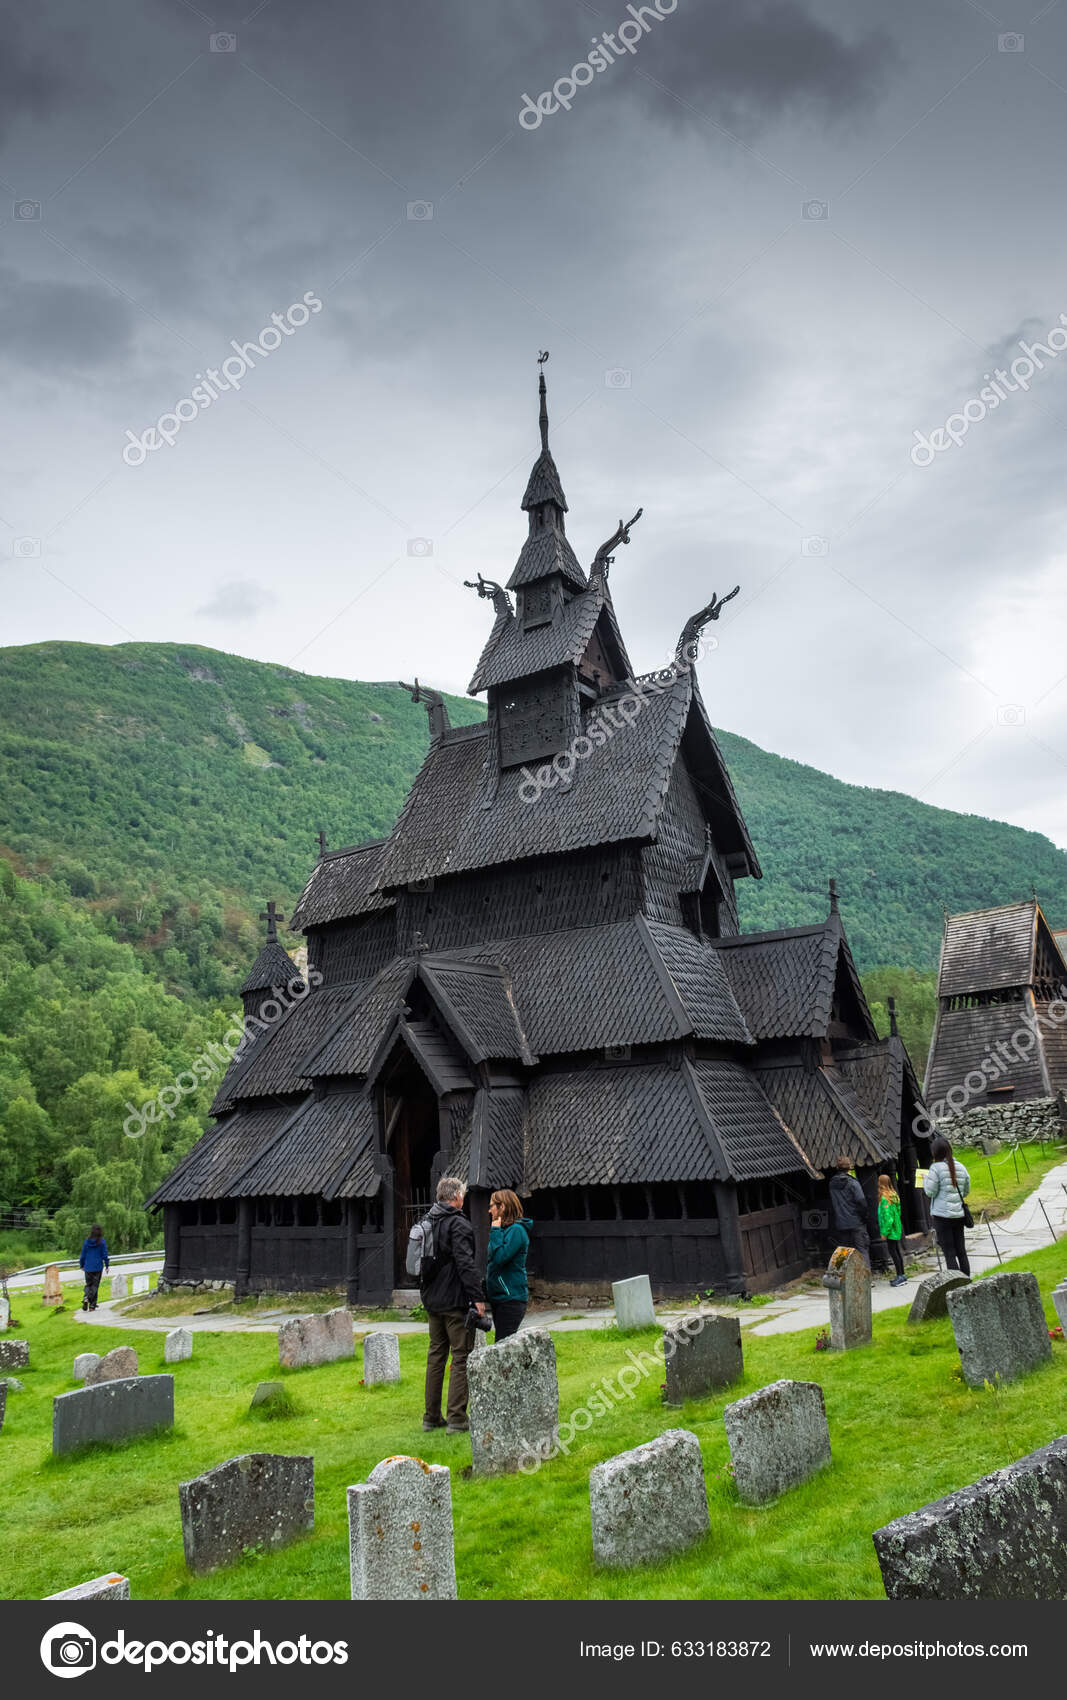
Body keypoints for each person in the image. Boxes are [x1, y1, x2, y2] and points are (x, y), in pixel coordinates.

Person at [420, 1176, 486, 1435]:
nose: (464, 1199)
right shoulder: (458, 1223)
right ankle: (457, 1418)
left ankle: (431, 1417)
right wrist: (477, 1298)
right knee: (460, 1357)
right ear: (456, 1197)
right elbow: (466, 1264)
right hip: (455, 1301)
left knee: (436, 1356)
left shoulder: (426, 1221)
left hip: (432, 1301)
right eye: (463, 1195)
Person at [486, 1190, 532, 1341]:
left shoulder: (517, 1231)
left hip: (511, 1297)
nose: (489, 1210)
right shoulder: (505, 1230)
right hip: (499, 1297)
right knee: (502, 1343)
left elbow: (500, 1258)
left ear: (503, 1207)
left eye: (492, 1206)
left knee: (503, 1345)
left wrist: (495, 1230)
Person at [924, 1135, 971, 1276]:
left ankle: (957, 1285)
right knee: (961, 1251)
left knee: (949, 1253)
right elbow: (966, 1190)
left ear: (935, 1152)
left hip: (942, 1216)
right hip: (958, 1214)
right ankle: (967, 1281)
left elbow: (930, 1192)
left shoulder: (935, 1169)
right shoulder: (961, 1167)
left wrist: (926, 1180)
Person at [828, 1155, 871, 1266]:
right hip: (856, 1222)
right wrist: (864, 1217)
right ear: (849, 1168)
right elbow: (861, 1202)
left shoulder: (831, 1184)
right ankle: (866, 1280)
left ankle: (841, 1278)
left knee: (843, 1252)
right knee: (862, 1250)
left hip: (841, 1223)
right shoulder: (853, 1183)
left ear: (837, 1167)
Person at [877, 1174, 907, 1287]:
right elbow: (898, 1212)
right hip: (897, 1227)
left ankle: (900, 1276)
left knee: (894, 1253)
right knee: (897, 1252)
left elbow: (887, 1218)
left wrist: (884, 1232)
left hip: (890, 1230)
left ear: (880, 1183)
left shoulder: (885, 1199)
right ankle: (902, 1275)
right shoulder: (894, 1195)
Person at [79, 1224, 109, 1312]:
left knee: (89, 1285)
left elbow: (83, 1255)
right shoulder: (102, 1242)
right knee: (95, 1286)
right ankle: (91, 1304)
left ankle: (88, 1300)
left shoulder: (86, 1242)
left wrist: (82, 1265)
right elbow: (105, 1254)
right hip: (97, 1267)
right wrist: (107, 1265)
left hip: (88, 1267)